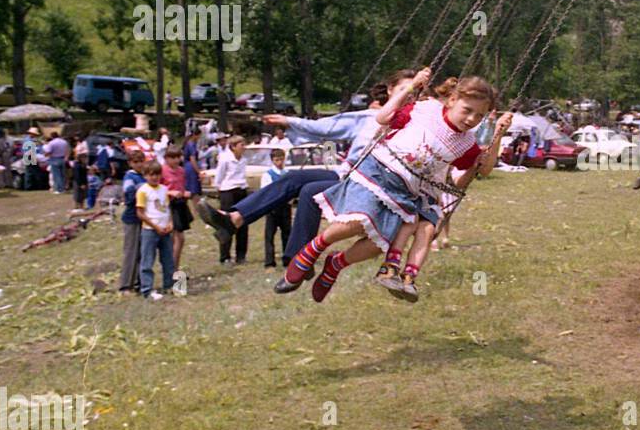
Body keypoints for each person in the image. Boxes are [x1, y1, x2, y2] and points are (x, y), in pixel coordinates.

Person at [283, 71, 503, 302]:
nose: (470, 119)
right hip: (378, 172)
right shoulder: (425, 110)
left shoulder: (466, 143)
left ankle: (335, 264)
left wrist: (499, 133)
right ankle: (311, 250)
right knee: (358, 220)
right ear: (451, 101)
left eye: (479, 116)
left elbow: (483, 168)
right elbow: (383, 118)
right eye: (467, 110)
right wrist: (411, 88)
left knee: (378, 245)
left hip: (407, 191)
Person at [196, 77, 402, 288]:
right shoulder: (371, 118)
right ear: (391, 90)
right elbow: (327, 127)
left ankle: (299, 260)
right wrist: (290, 121)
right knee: (292, 178)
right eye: (404, 88)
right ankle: (234, 219)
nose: (409, 93)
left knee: (310, 191)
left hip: (370, 187)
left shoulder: (414, 125)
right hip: (347, 177)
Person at [135, 160, 174, 300]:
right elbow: (140, 213)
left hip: (165, 229)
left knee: (168, 259)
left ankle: (169, 285)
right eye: (151, 175)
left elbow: (167, 208)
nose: (154, 177)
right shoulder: (143, 191)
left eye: (157, 174)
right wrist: (155, 226)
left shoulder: (164, 189)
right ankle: (147, 289)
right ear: (145, 175)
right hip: (150, 230)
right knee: (147, 261)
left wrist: (170, 223)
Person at [212, 135, 249, 264]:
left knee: (242, 223)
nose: (244, 147)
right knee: (227, 223)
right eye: (241, 145)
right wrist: (220, 190)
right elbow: (219, 176)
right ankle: (225, 256)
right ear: (233, 147)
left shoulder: (243, 159)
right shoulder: (225, 159)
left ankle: (241, 255)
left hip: (241, 189)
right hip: (228, 191)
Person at [160, 146, 193, 277]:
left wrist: (185, 193)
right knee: (178, 238)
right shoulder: (162, 171)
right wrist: (169, 192)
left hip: (180, 204)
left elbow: (182, 186)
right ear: (166, 158)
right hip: (168, 205)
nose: (175, 160)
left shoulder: (181, 171)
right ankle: (172, 270)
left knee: (179, 239)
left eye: (178, 157)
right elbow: (157, 189)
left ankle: (175, 267)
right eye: (172, 158)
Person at [118, 151, 146, 294]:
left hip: (145, 218)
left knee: (142, 251)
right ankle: (125, 285)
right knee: (131, 251)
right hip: (132, 218)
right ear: (130, 163)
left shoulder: (144, 176)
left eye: (141, 161)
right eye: (136, 162)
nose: (139, 164)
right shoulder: (130, 177)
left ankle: (138, 282)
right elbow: (129, 196)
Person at [263, 148, 293, 269]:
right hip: (273, 207)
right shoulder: (268, 175)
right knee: (270, 235)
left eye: (281, 159)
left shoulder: (287, 173)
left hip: (285, 206)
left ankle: (287, 259)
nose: (279, 162)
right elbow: (266, 191)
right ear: (272, 160)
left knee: (287, 233)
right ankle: (269, 262)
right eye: (277, 160)